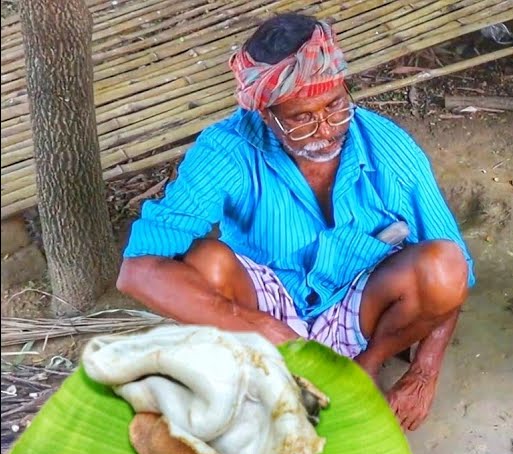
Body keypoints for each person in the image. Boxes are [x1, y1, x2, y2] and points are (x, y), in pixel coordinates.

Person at [115, 13, 473, 432]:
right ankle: (265, 375)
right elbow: (137, 270)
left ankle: (364, 368)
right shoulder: (226, 150)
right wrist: (263, 328)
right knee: (203, 262)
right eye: (302, 117)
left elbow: (458, 267)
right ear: (266, 115)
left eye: (336, 106)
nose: (326, 130)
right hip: (268, 305)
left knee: (443, 266)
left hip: (356, 303)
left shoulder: (388, 149)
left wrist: (424, 372)